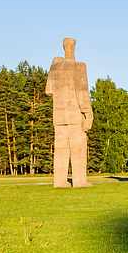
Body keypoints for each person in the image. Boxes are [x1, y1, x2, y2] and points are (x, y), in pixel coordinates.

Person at [46, 38, 93, 187]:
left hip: (59, 114)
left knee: (61, 150)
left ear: (63, 46)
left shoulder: (54, 67)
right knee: (78, 148)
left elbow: (49, 90)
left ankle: (59, 182)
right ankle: (79, 181)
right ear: (74, 46)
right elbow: (82, 92)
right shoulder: (79, 66)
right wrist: (88, 113)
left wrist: (55, 64)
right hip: (74, 112)